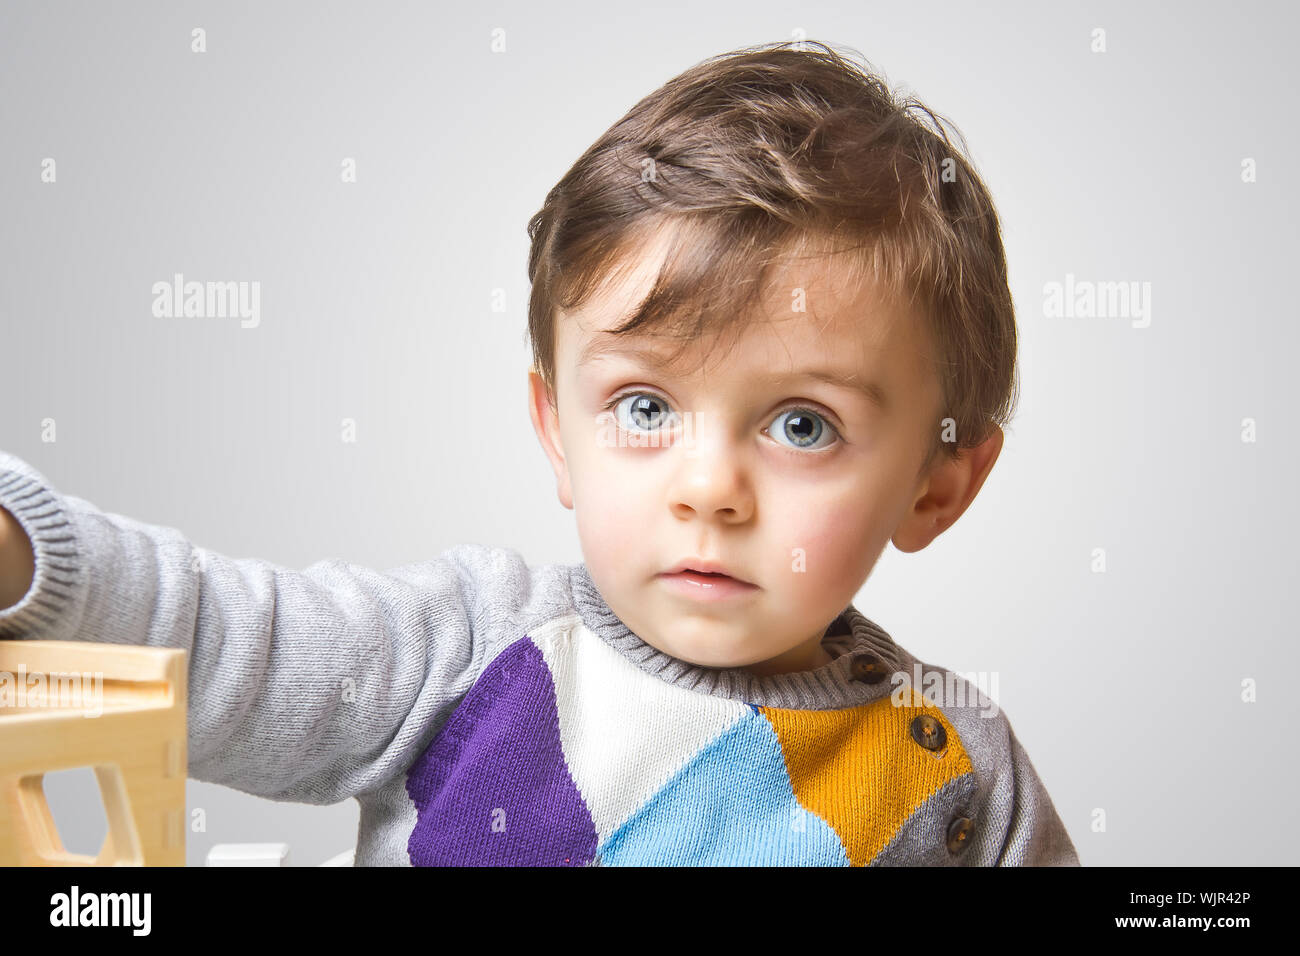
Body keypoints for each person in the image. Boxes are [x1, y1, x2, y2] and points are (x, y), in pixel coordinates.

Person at [0, 40, 1078, 866]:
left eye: (802, 424)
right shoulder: (471, 648)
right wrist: (23, 553)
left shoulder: (957, 768)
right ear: (557, 431)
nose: (707, 489)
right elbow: (219, 633)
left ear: (937, 484)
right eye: (645, 407)